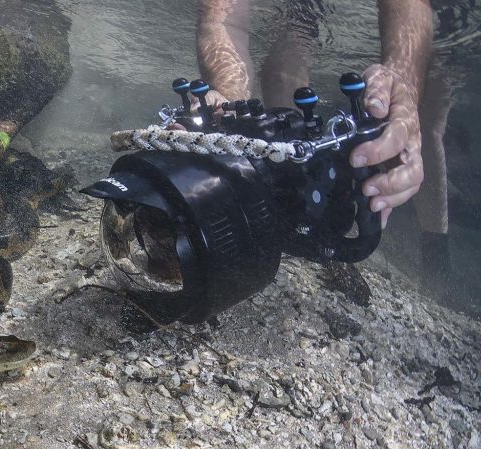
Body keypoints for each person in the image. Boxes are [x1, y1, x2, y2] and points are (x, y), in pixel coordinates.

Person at [195, 0, 458, 302]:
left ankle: (436, 250)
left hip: (445, 16)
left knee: (425, 118)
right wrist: (231, 110)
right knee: (282, 70)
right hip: (301, 9)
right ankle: (293, 198)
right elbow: (225, 19)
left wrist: (405, 88)